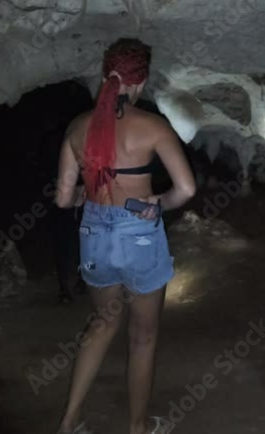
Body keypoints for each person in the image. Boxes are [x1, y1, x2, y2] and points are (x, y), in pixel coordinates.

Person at [53, 38, 196, 434]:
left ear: (105, 76)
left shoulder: (78, 127)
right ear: (141, 81)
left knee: (102, 322)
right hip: (139, 235)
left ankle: (68, 422)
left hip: (94, 232)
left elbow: (63, 199)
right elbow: (185, 190)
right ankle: (137, 428)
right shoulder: (152, 127)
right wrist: (159, 203)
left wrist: (87, 192)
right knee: (142, 336)